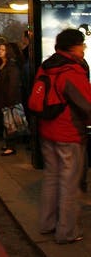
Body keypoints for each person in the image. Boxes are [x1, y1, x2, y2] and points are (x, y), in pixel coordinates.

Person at [37, 28, 91, 244]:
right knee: (69, 183)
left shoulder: (46, 67)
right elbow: (86, 103)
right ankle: (66, 232)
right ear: (73, 47)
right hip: (68, 133)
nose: (84, 48)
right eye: (82, 44)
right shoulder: (71, 71)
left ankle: (47, 224)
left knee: (51, 178)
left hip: (47, 131)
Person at [0, 41, 22, 156]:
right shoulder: (1, 64)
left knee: (10, 123)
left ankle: (11, 146)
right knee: (6, 122)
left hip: (8, 99)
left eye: (3, 50)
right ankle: (8, 143)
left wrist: (10, 100)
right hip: (1, 97)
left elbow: (13, 84)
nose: (0, 52)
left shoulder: (12, 66)